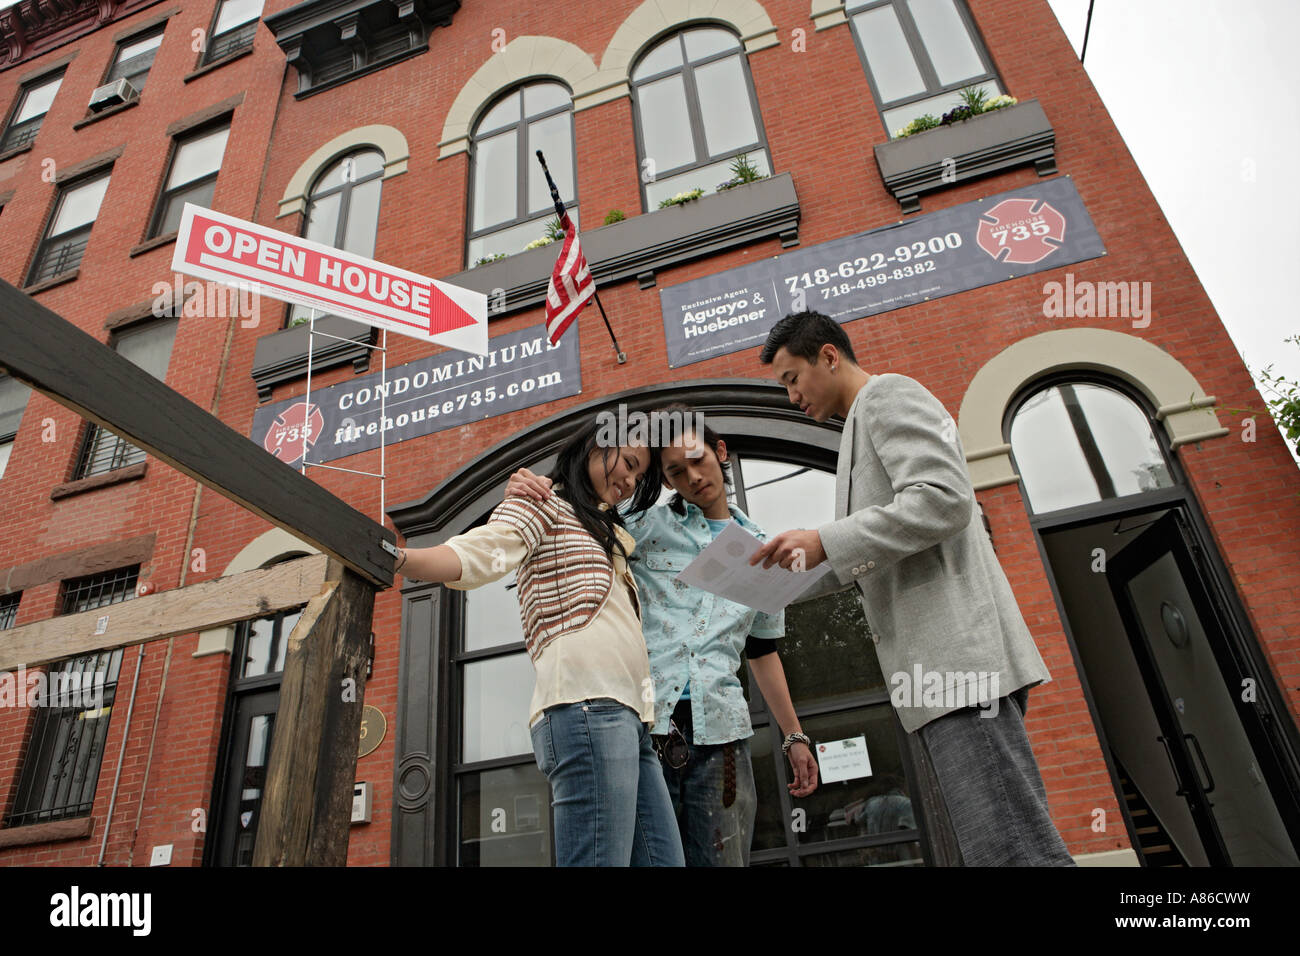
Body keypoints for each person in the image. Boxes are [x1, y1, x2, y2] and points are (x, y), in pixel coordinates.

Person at [751, 310, 1075, 866]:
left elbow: (944, 499)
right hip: (938, 680)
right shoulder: (858, 423)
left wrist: (825, 538)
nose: (791, 396)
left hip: (958, 670)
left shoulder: (888, 396)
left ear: (828, 356)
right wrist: (767, 585)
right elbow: (870, 553)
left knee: (1011, 851)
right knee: (994, 847)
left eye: (791, 378)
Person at [505, 403, 819, 866]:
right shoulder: (642, 530)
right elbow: (583, 504)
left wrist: (793, 737)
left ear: (720, 453)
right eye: (676, 471)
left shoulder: (761, 551)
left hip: (723, 739)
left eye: (698, 460)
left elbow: (762, 649)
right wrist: (535, 488)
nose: (692, 476)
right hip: (648, 729)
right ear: (667, 481)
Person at [394, 415, 684, 867]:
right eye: (627, 462)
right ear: (593, 448)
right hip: (587, 708)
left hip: (631, 720)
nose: (629, 480)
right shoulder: (542, 503)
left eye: (639, 474)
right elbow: (483, 550)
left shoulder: (604, 532)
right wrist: (400, 559)